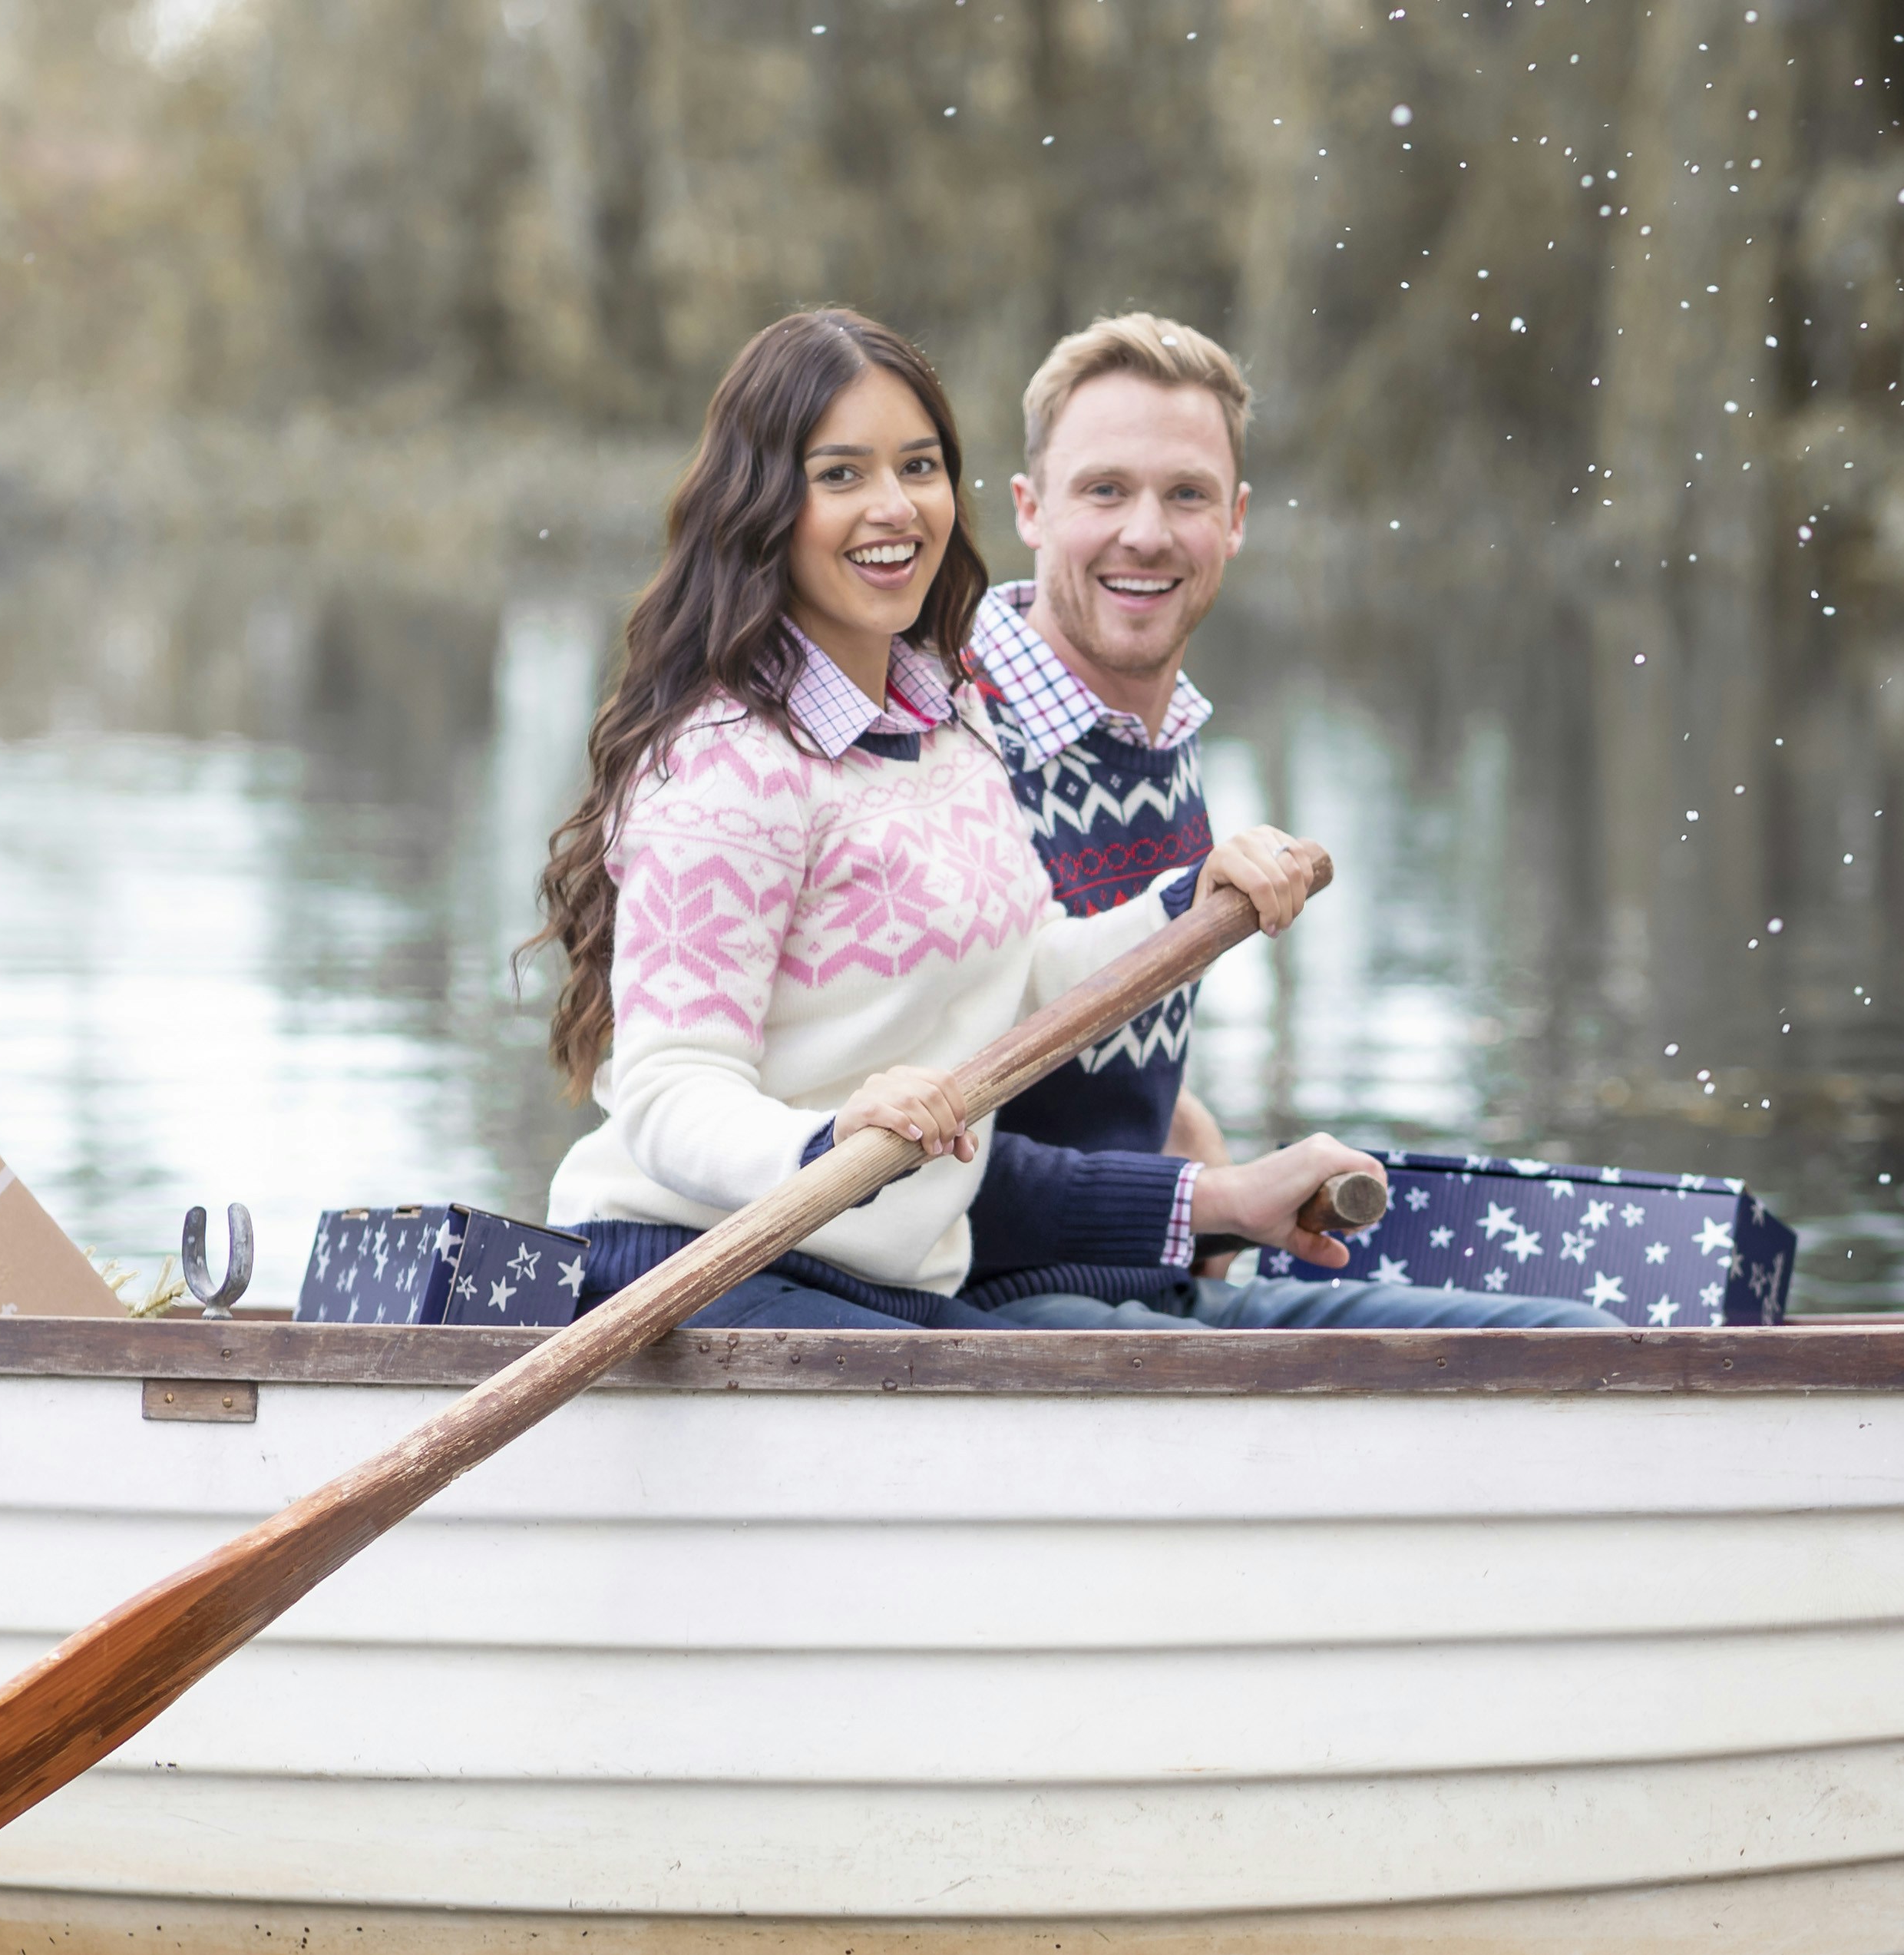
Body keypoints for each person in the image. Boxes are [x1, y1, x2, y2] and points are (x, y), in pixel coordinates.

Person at [530, 307, 1350, 1329]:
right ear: (764, 509)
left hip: (889, 1285)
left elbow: (1030, 979)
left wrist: (1192, 903)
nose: (895, 507)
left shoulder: (949, 727)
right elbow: (669, 1093)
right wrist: (823, 1146)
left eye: (918, 469)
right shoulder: (724, 763)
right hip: (693, 1273)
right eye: (841, 475)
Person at [961, 313, 1617, 1329]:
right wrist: (1215, 1207)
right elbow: (910, 1158)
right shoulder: (943, 738)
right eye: (1105, 490)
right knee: (1553, 1361)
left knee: (1574, 1335)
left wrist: (1205, 1177)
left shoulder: (1157, 739)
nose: (1147, 531)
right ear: (1030, 508)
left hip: (1153, 1279)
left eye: (1187, 494)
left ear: (1235, 521)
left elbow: (1104, 1089)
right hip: (988, 1311)